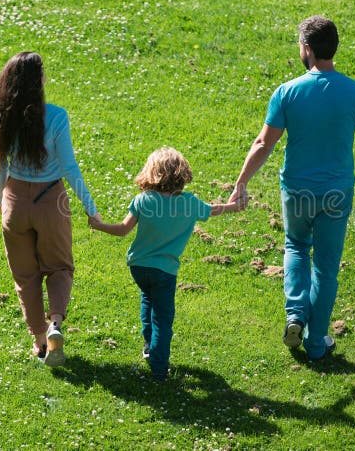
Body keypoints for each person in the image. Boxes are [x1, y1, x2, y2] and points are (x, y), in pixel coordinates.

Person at [229, 16, 355, 361]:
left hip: (296, 190)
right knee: (326, 266)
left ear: (306, 48)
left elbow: (264, 142)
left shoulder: (288, 92)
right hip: (337, 193)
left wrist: (241, 181)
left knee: (295, 245)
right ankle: (316, 342)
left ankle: (295, 314)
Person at [88, 147, 247, 380]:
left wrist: (99, 224)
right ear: (182, 175)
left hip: (139, 267)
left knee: (147, 297)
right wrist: (235, 206)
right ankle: (159, 367)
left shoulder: (143, 200)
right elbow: (213, 210)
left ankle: (148, 343)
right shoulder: (190, 203)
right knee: (163, 316)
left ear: (151, 173)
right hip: (165, 270)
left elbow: (123, 230)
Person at [0, 51, 101, 367]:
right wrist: (91, 209)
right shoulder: (58, 117)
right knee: (60, 267)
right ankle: (55, 325)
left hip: (15, 204)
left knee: (25, 275)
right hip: (53, 201)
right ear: (39, 82)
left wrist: (2, 206)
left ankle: (39, 342)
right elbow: (70, 168)